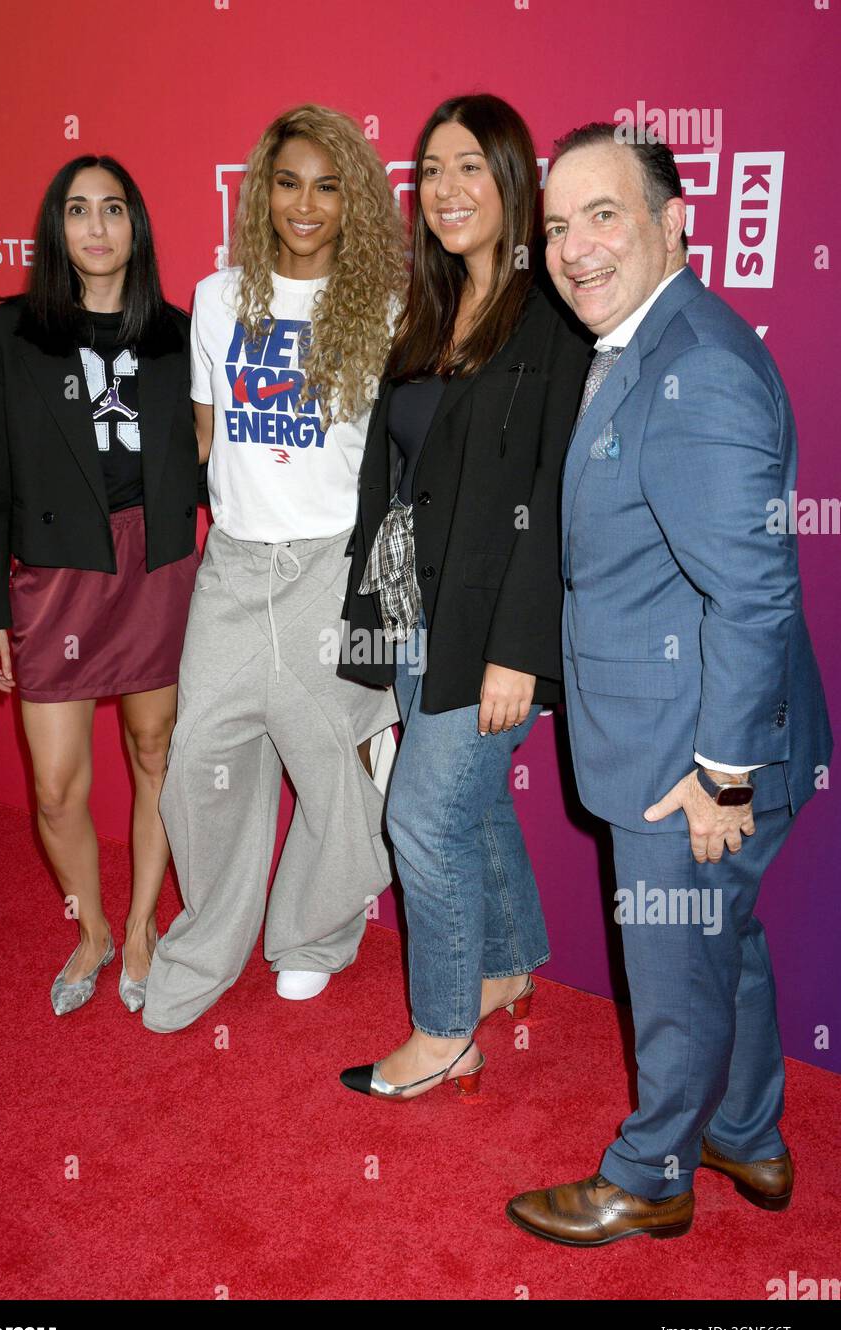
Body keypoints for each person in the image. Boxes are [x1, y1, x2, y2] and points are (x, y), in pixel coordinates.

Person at [506, 123, 833, 1245]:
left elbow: (754, 595)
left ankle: (651, 1172)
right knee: (720, 943)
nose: (575, 247)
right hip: (686, 727)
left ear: (673, 222)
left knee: (675, 964)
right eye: (556, 225)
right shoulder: (655, 339)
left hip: (692, 754)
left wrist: (721, 776)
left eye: (604, 215)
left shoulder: (695, 370)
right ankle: (747, 1131)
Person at [337, 94, 591, 1099]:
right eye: (431, 171)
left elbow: (555, 495)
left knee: (423, 819)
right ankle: (506, 964)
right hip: (414, 609)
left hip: (492, 622)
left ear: (514, 181)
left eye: (469, 168)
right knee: (473, 807)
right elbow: (390, 475)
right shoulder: (428, 309)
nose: (445, 190)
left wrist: (519, 650)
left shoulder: (557, 319)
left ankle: (444, 1034)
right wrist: (372, 624)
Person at [140, 105, 407, 1033]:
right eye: (289, 182)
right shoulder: (219, 298)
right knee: (200, 758)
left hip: (332, 563)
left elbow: (398, 454)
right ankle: (209, 939)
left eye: (328, 187)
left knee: (335, 768)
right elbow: (207, 434)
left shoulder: (383, 308)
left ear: (355, 202)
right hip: (235, 560)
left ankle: (314, 939)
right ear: (263, 190)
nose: (306, 204)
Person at [0, 155, 207, 1017]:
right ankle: (91, 931)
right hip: (56, 577)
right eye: (78, 210)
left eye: (113, 209)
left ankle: (140, 928)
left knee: (155, 759)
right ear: (56, 228)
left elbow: (214, 454)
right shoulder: (9, 336)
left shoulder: (181, 333)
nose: (97, 227)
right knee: (57, 785)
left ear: (136, 225)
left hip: (156, 566)